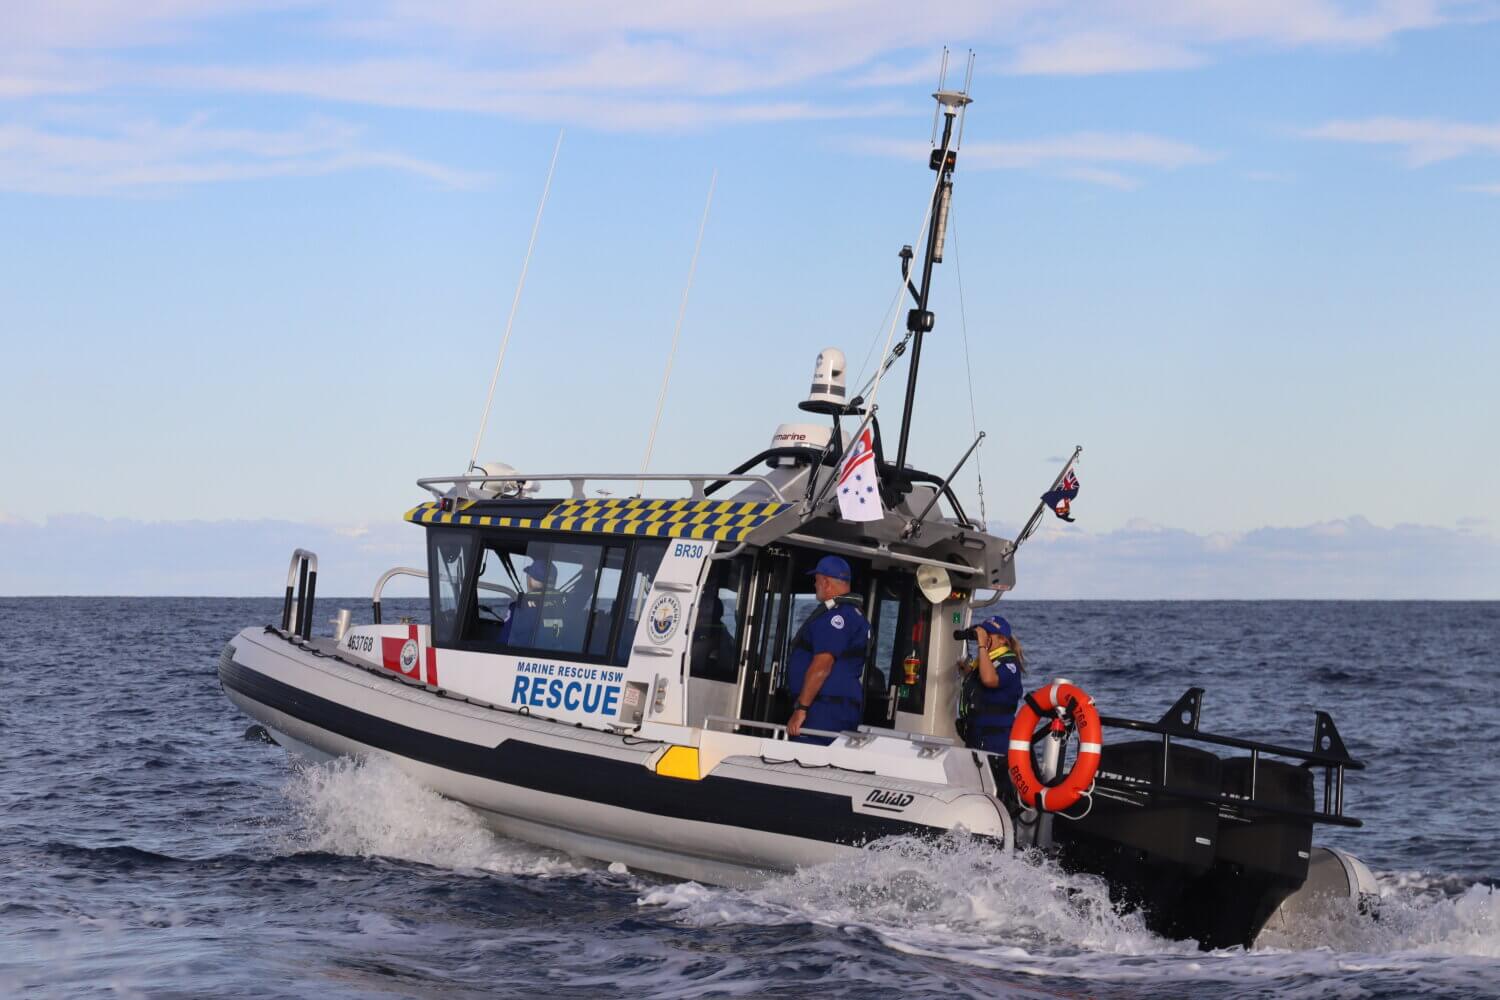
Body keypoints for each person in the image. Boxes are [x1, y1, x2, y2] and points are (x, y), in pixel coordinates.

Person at [786, 555, 870, 745]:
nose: (815, 585)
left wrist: (801, 709)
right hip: (838, 707)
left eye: (816, 580)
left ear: (825, 581)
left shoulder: (836, 617)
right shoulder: (854, 614)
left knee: (807, 762)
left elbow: (822, 666)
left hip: (824, 709)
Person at [957, 615, 1026, 757]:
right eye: (983, 634)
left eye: (988, 635)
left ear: (1002, 640)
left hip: (994, 738)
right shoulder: (987, 661)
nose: (984, 637)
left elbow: (989, 679)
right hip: (976, 733)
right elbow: (980, 681)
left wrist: (982, 646)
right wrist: (967, 671)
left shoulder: (1009, 664)